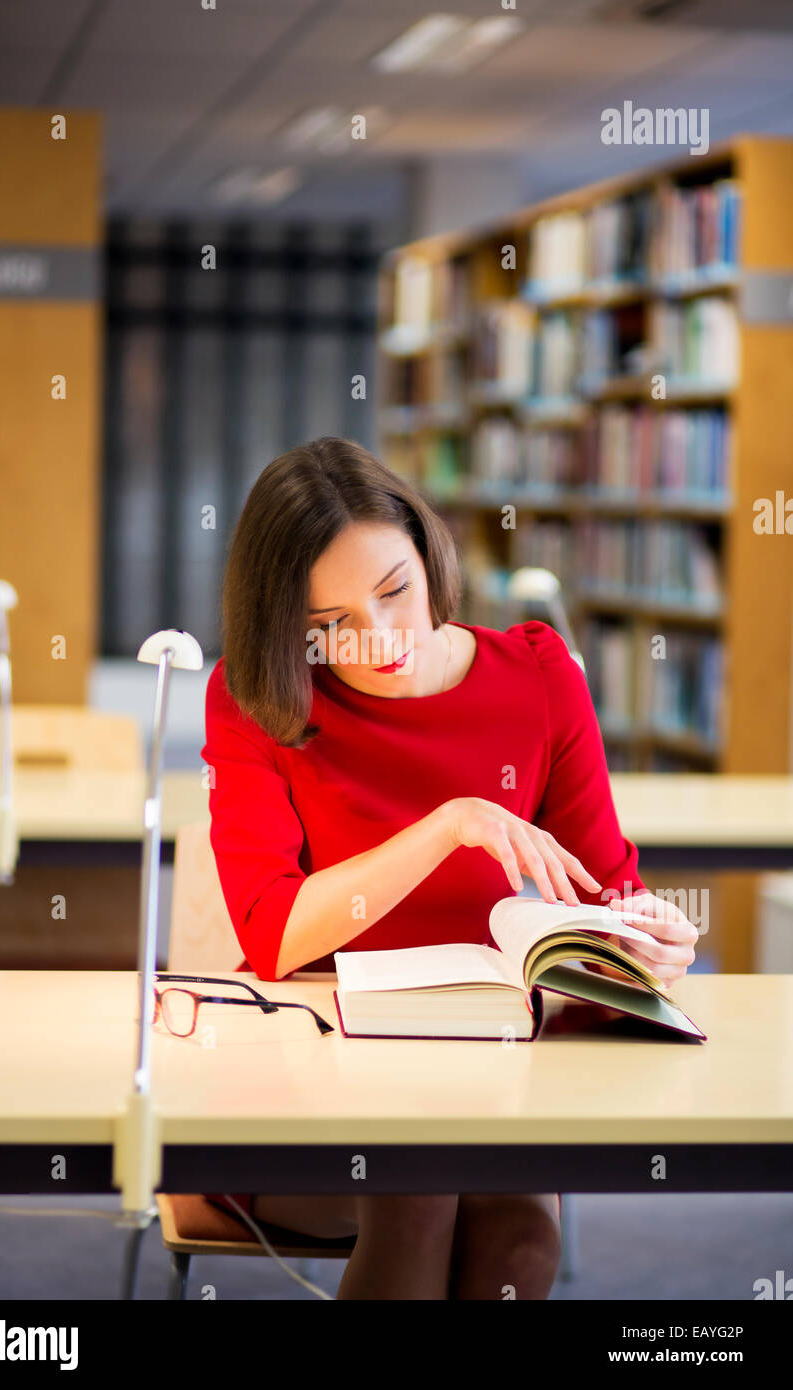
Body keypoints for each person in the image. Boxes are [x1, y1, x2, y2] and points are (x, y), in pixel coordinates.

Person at [199, 435, 698, 1299]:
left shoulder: (539, 676)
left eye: (395, 591)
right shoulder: (259, 697)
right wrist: (446, 827)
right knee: (420, 1185)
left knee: (519, 1247)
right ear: (287, 628)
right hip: (310, 1069)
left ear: (427, 554)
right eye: (331, 625)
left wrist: (649, 937)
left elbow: (607, 883)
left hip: (493, 1061)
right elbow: (273, 935)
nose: (383, 638)